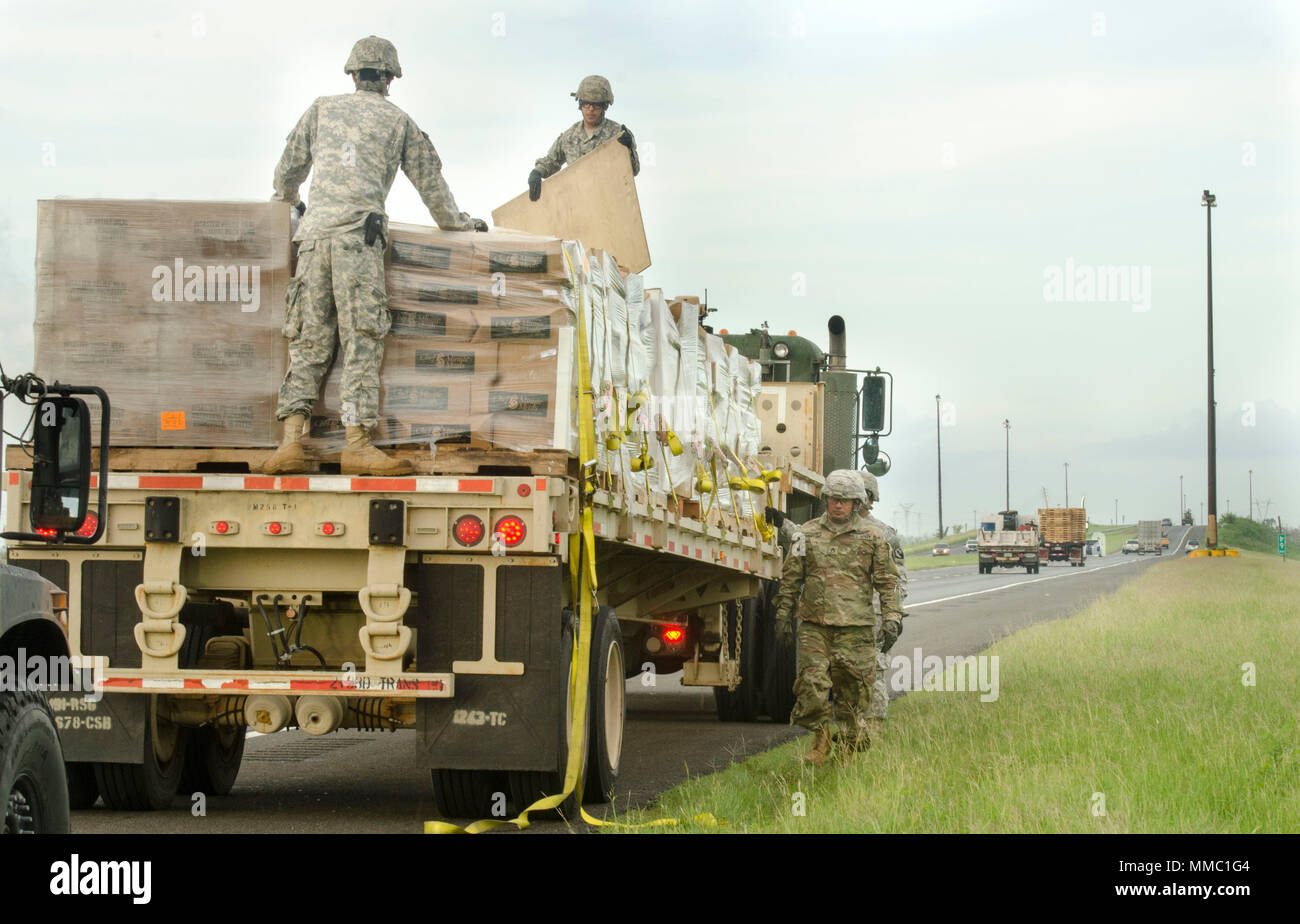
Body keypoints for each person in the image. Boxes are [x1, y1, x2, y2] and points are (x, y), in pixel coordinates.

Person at [266, 36, 488, 476]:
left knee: (309, 340)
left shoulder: (320, 108)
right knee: (361, 339)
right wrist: (460, 224)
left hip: (311, 241)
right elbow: (432, 189)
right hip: (357, 241)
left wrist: (289, 201)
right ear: (389, 78)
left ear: (352, 74)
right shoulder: (398, 121)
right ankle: (357, 442)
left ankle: (291, 442)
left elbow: (287, 170)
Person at [772, 469, 904, 763]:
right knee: (811, 686)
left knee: (854, 693)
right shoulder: (806, 535)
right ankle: (820, 743)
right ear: (826, 500)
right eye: (833, 499)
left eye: (844, 500)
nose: (838, 505)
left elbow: (887, 582)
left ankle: (850, 737)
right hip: (815, 627)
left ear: (857, 503)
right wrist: (783, 616)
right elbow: (791, 579)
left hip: (856, 629)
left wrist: (893, 617)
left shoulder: (873, 538)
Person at [856, 470, 908, 743]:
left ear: (869, 498)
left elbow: (899, 576)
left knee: (873, 670)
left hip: (873, 613)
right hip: (842, 614)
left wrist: (893, 615)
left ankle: (873, 729)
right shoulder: (833, 528)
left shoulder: (884, 533)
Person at [527, 75, 639, 201]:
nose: (591, 110)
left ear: (605, 106)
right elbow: (552, 161)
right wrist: (536, 173)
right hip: (579, 205)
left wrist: (628, 149)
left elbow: (634, 170)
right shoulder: (569, 137)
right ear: (580, 105)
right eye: (586, 104)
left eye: (596, 105)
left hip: (610, 204)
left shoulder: (618, 134)